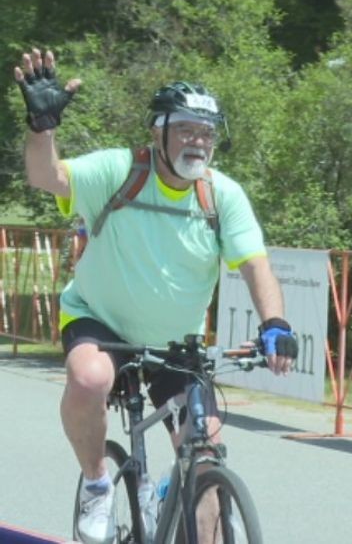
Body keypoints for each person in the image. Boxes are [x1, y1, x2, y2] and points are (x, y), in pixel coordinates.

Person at [14, 48, 299, 544]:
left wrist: (275, 324)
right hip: (100, 322)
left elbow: (256, 264)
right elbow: (45, 176)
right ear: (157, 132)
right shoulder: (121, 170)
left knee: (206, 455)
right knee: (89, 377)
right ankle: (99, 482)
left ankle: (197, 517)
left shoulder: (221, 195)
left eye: (207, 132)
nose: (198, 141)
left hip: (175, 344)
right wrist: (42, 127)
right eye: (186, 129)